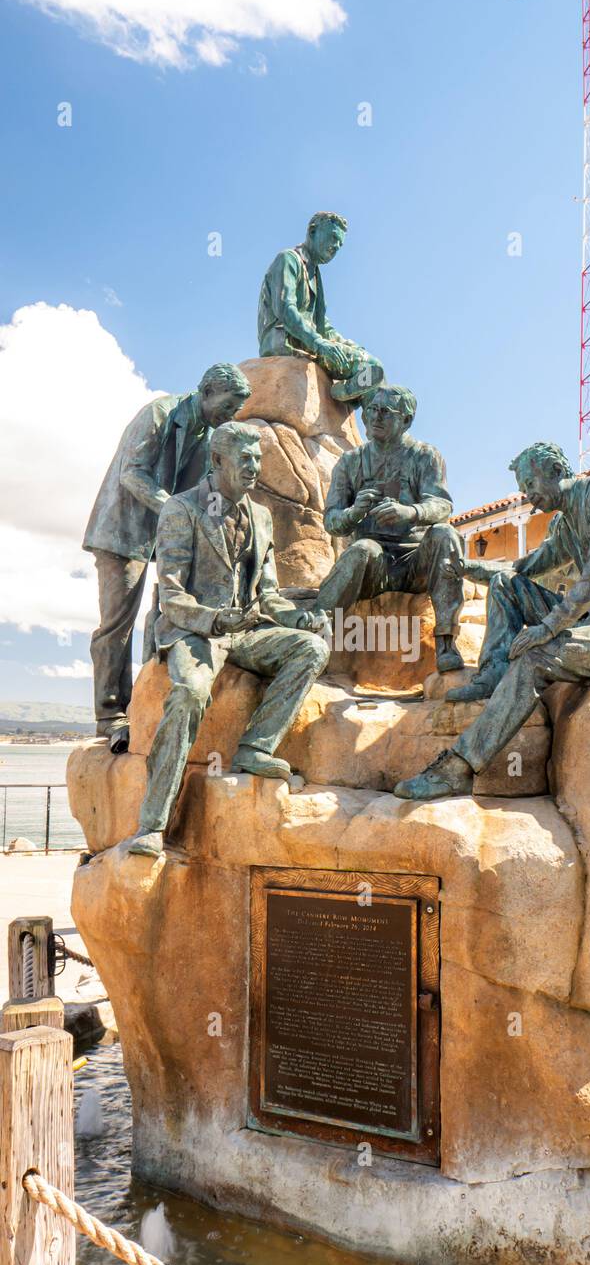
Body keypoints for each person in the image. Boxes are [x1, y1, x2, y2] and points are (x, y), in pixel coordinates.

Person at [394, 441, 590, 800]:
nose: (528, 496)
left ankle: (459, 767)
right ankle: (493, 675)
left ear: (556, 471)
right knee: (505, 585)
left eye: (531, 485)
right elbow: (524, 568)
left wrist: (548, 628)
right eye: (523, 489)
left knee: (536, 658)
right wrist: (468, 569)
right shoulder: (565, 522)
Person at [127, 421, 330, 857]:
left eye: (258, 458)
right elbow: (172, 596)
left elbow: (269, 595)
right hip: (197, 629)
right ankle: (152, 824)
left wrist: (302, 618)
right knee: (189, 694)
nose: (254, 466)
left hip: (249, 630)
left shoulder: (261, 516)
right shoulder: (181, 509)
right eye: (245, 459)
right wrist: (215, 620)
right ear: (218, 461)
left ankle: (255, 747)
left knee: (311, 648)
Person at [83, 362, 252, 752]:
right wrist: (177, 511)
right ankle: (110, 717)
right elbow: (133, 473)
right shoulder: (159, 414)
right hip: (122, 530)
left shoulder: (210, 435)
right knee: (116, 623)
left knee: (167, 609)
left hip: (168, 533)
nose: (231, 416)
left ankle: (147, 701)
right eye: (228, 406)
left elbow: (208, 491)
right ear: (207, 392)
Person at [315, 384, 466, 673]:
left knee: (445, 534)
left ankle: (446, 642)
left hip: (415, 562)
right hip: (374, 566)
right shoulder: (349, 462)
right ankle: (314, 633)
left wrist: (410, 512)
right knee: (361, 548)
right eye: (371, 410)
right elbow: (331, 521)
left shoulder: (425, 456)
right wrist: (354, 512)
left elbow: (442, 505)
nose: (375, 417)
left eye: (386, 412)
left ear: (406, 420)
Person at [258, 211, 384, 402]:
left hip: (309, 343)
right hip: (284, 342)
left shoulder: (315, 274)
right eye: (333, 238)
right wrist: (319, 344)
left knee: (373, 370)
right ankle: (345, 393)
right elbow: (285, 309)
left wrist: (350, 346)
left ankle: (358, 404)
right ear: (313, 231)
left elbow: (323, 326)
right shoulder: (288, 259)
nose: (336, 247)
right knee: (370, 367)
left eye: (340, 244)